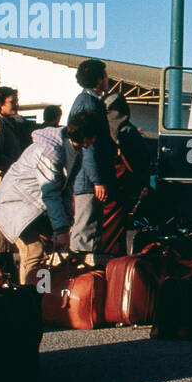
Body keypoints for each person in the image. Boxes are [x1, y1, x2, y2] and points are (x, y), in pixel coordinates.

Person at [0, 112, 105, 285]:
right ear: (87, 136)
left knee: (45, 253)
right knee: (33, 252)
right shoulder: (48, 152)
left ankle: (41, 299)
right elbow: (51, 192)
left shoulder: (75, 151)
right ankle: (29, 299)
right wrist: (61, 230)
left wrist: (66, 225)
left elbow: (66, 191)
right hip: (16, 205)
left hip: (35, 207)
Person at [67, 59, 118, 262]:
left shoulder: (90, 101)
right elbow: (88, 147)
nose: (107, 79)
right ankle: (79, 276)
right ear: (99, 79)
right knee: (85, 232)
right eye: (105, 75)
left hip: (90, 178)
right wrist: (97, 180)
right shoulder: (87, 104)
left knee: (91, 230)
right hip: (88, 181)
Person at [0, 86, 31, 280]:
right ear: (0, 103)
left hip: (9, 180)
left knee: (2, 227)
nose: (17, 105)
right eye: (13, 101)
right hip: (0, 179)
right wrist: (13, 165)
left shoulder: (9, 123)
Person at [102, 85, 148, 248]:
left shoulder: (100, 129)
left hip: (103, 189)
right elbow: (141, 162)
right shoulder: (129, 131)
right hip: (124, 189)